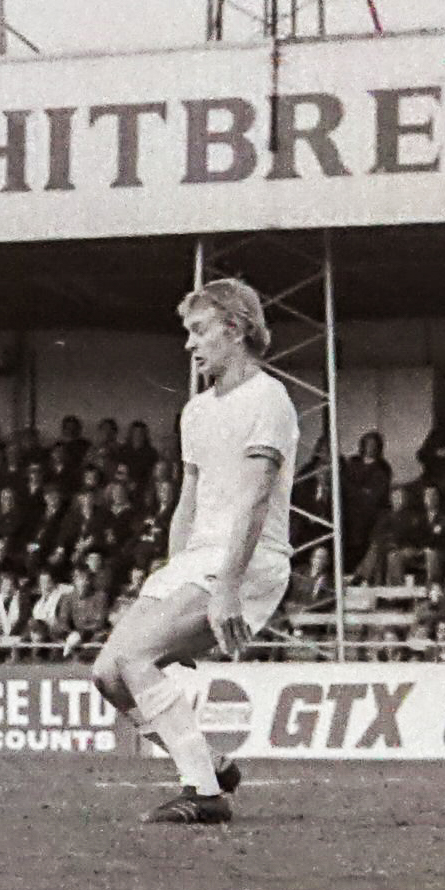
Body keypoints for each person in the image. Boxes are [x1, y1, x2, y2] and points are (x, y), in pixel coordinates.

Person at [92, 279, 297, 825]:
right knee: (108, 672)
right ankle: (209, 761)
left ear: (236, 329)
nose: (190, 344)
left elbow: (255, 499)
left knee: (134, 659)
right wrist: (171, 583)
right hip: (197, 560)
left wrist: (224, 586)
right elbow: (189, 501)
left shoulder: (268, 398)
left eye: (200, 330)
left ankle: (203, 791)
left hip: (247, 560)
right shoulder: (196, 410)